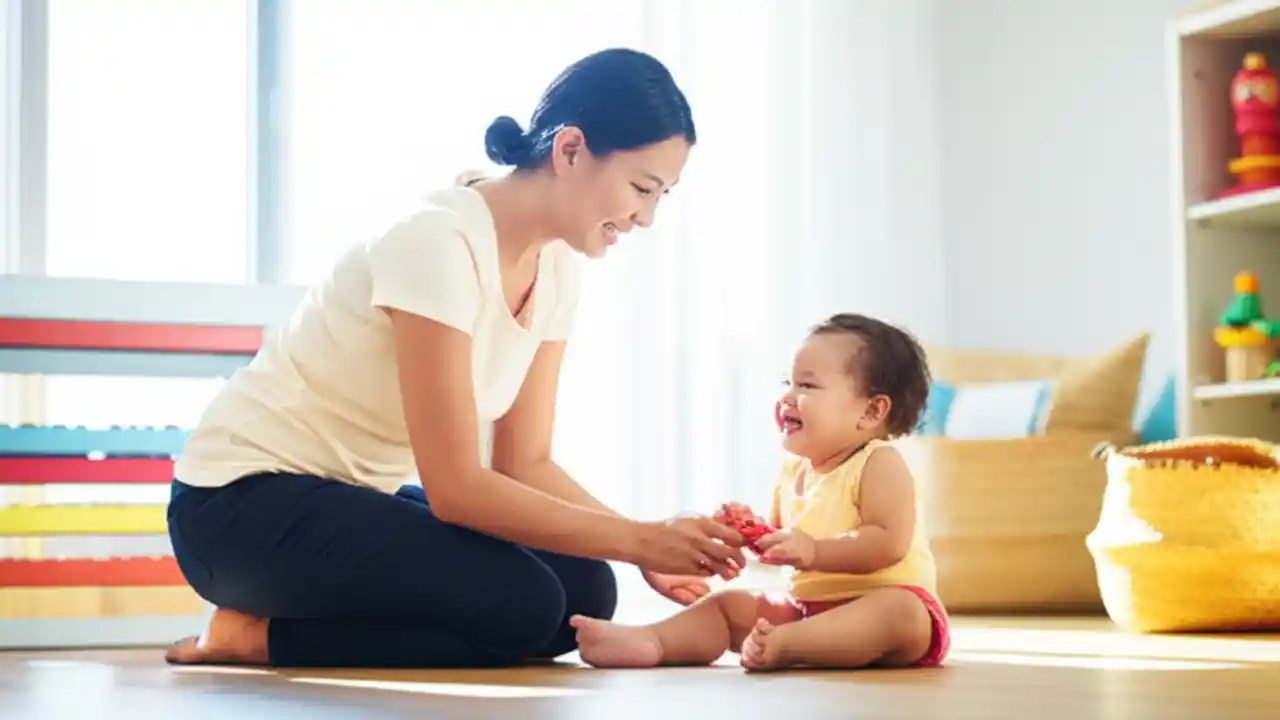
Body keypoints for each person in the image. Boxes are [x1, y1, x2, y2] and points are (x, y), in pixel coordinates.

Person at [163, 47, 748, 669]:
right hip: (238, 509)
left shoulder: (554, 269)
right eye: (641, 188)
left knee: (585, 591)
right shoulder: (436, 242)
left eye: (662, 196)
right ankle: (248, 637)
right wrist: (641, 541)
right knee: (519, 605)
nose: (647, 217)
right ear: (571, 150)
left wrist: (645, 544)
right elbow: (456, 490)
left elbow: (525, 461)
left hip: (355, 498)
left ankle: (293, 625)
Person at [569, 313, 952, 671]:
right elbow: (777, 542)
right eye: (787, 382)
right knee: (729, 606)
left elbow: (888, 542)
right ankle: (652, 640)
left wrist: (816, 551)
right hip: (808, 611)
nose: (787, 397)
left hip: (885, 609)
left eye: (806, 385)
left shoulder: (879, 463)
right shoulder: (792, 471)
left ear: (871, 412)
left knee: (900, 610)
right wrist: (747, 531)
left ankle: (787, 646)